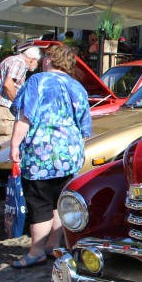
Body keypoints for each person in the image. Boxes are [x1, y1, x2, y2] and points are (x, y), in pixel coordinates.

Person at [9, 45, 91, 268]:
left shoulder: (37, 82)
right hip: (69, 154)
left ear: (48, 60)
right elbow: (85, 127)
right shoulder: (78, 87)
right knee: (58, 202)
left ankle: (36, 251)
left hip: (40, 155)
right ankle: (54, 247)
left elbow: (24, 116)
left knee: (40, 204)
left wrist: (14, 145)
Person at [0, 47, 41, 152]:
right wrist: (18, 103)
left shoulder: (11, 59)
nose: (37, 65)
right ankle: (4, 168)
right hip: (4, 104)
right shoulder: (19, 63)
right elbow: (8, 84)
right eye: (37, 62)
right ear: (32, 59)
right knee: (5, 143)